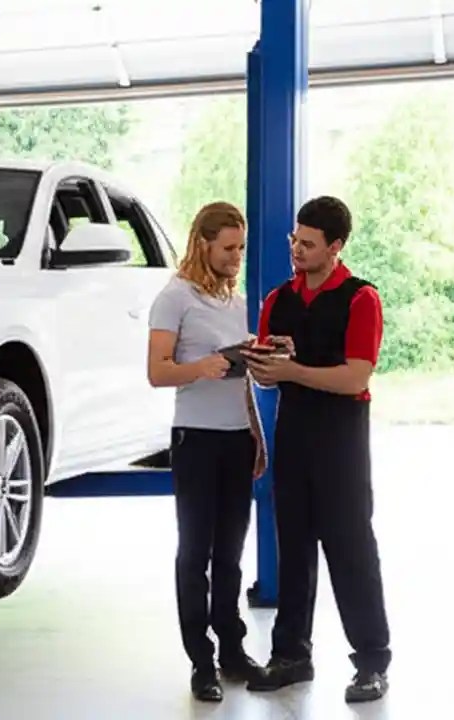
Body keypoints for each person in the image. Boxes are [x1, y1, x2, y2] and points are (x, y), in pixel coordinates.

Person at [244, 195, 391, 704]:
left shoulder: (360, 298)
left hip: (341, 438)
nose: (297, 250)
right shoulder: (277, 300)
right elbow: (267, 378)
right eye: (295, 240)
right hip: (293, 433)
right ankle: (291, 655)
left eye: (308, 243)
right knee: (294, 548)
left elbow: (355, 377)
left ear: (335, 246)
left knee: (351, 550)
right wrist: (264, 364)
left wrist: (293, 369)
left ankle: (371, 662)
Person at [146, 201, 269, 702]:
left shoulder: (235, 302)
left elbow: (242, 381)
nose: (237, 257)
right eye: (229, 249)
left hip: (237, 438)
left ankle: (232, 651)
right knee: (195, 552)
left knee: (231, 554)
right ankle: (201, 661)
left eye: (241, 248)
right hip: (196, 439)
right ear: (203, 244)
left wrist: (256, 433)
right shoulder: (174, 298)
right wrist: (201, 367)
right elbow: (157, 371)